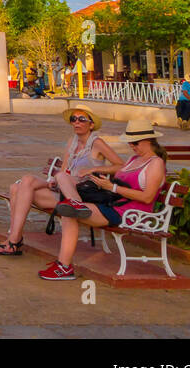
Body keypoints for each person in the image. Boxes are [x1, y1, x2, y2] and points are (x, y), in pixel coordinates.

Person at [38, 119, 168, 281]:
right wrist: (96, 172)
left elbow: (147, 197)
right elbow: (116, 173)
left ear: (148, 141)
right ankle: (75, 205)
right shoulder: (134, 160)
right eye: (130, 143)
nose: (132, 147)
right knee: (63, 178)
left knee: (70, 212)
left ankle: (64, 266)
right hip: (112, 203)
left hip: (129, 213)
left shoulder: (155, 163)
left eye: (135, 143)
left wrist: (112, 188)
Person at [0, 106, 123, 256]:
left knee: (18, 189)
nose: (76, 122)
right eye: (74, 119)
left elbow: (120, 166)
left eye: (82, 119)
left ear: (91, 124)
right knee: (18, 185)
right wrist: (54, 179)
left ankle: (14, 242)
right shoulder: (72, 142)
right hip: (62, 188)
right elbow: (65, 168)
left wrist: (93, 171)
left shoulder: (97, 143)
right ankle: (14, 239)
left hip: (80, 195)